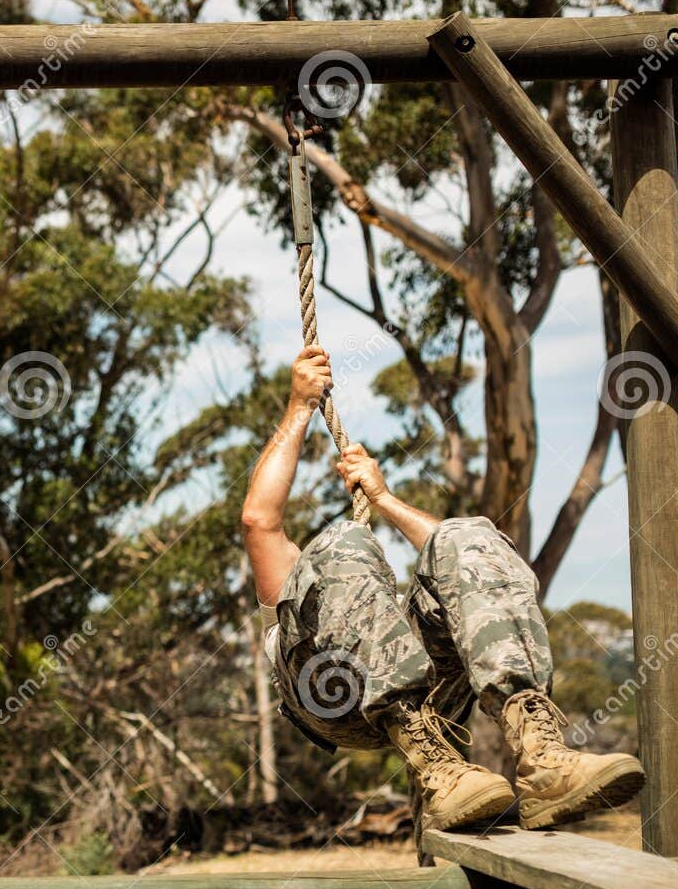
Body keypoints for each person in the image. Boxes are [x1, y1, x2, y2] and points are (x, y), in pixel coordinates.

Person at [241, 345, 645, 831]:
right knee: (343, 539)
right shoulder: (301, 590)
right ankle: (433, 767)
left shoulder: (384, 618)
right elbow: (258, 519)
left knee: (466, 534)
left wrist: (384, 500)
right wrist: (300, 406)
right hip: (330, 699)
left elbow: (452, 550)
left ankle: (543, 757)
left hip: (434, 698)